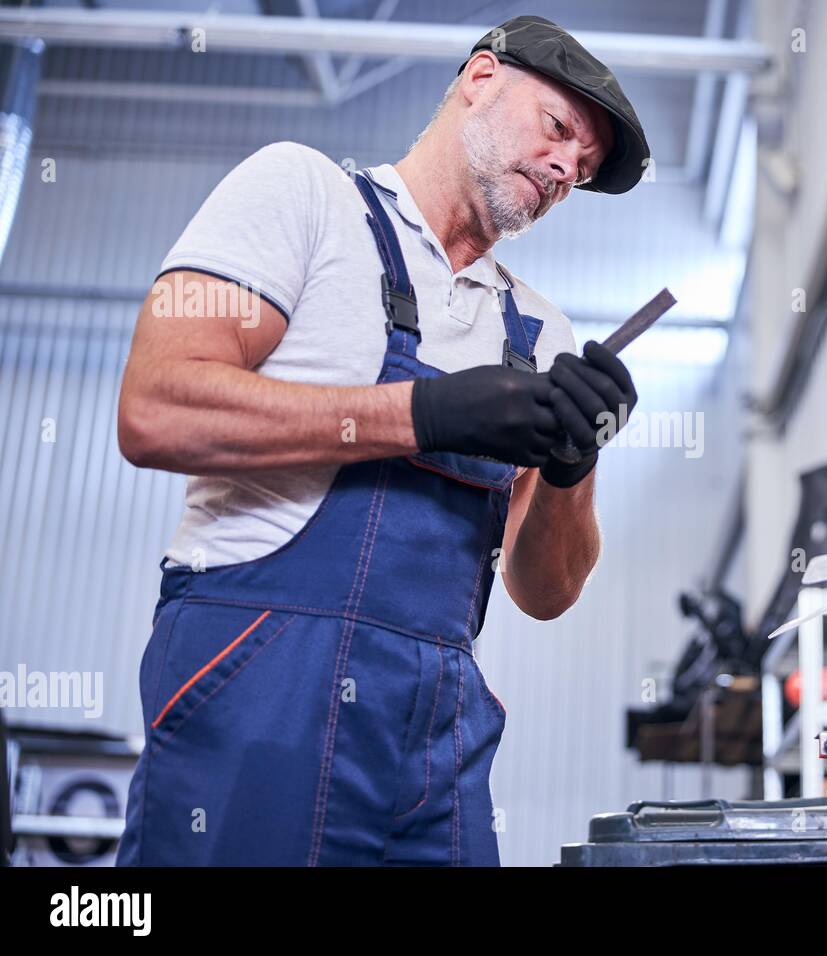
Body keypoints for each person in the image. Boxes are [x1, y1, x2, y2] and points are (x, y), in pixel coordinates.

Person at [114, 15, 650, 866]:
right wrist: (423, 417)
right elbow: (155, 408)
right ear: (480, 78)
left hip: (436, 730)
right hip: (262, 687)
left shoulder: (540, 334)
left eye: (582, 170)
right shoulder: (305, 196)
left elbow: (544, 591)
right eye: (557, 131)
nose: (562, 171)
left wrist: (572, 467)